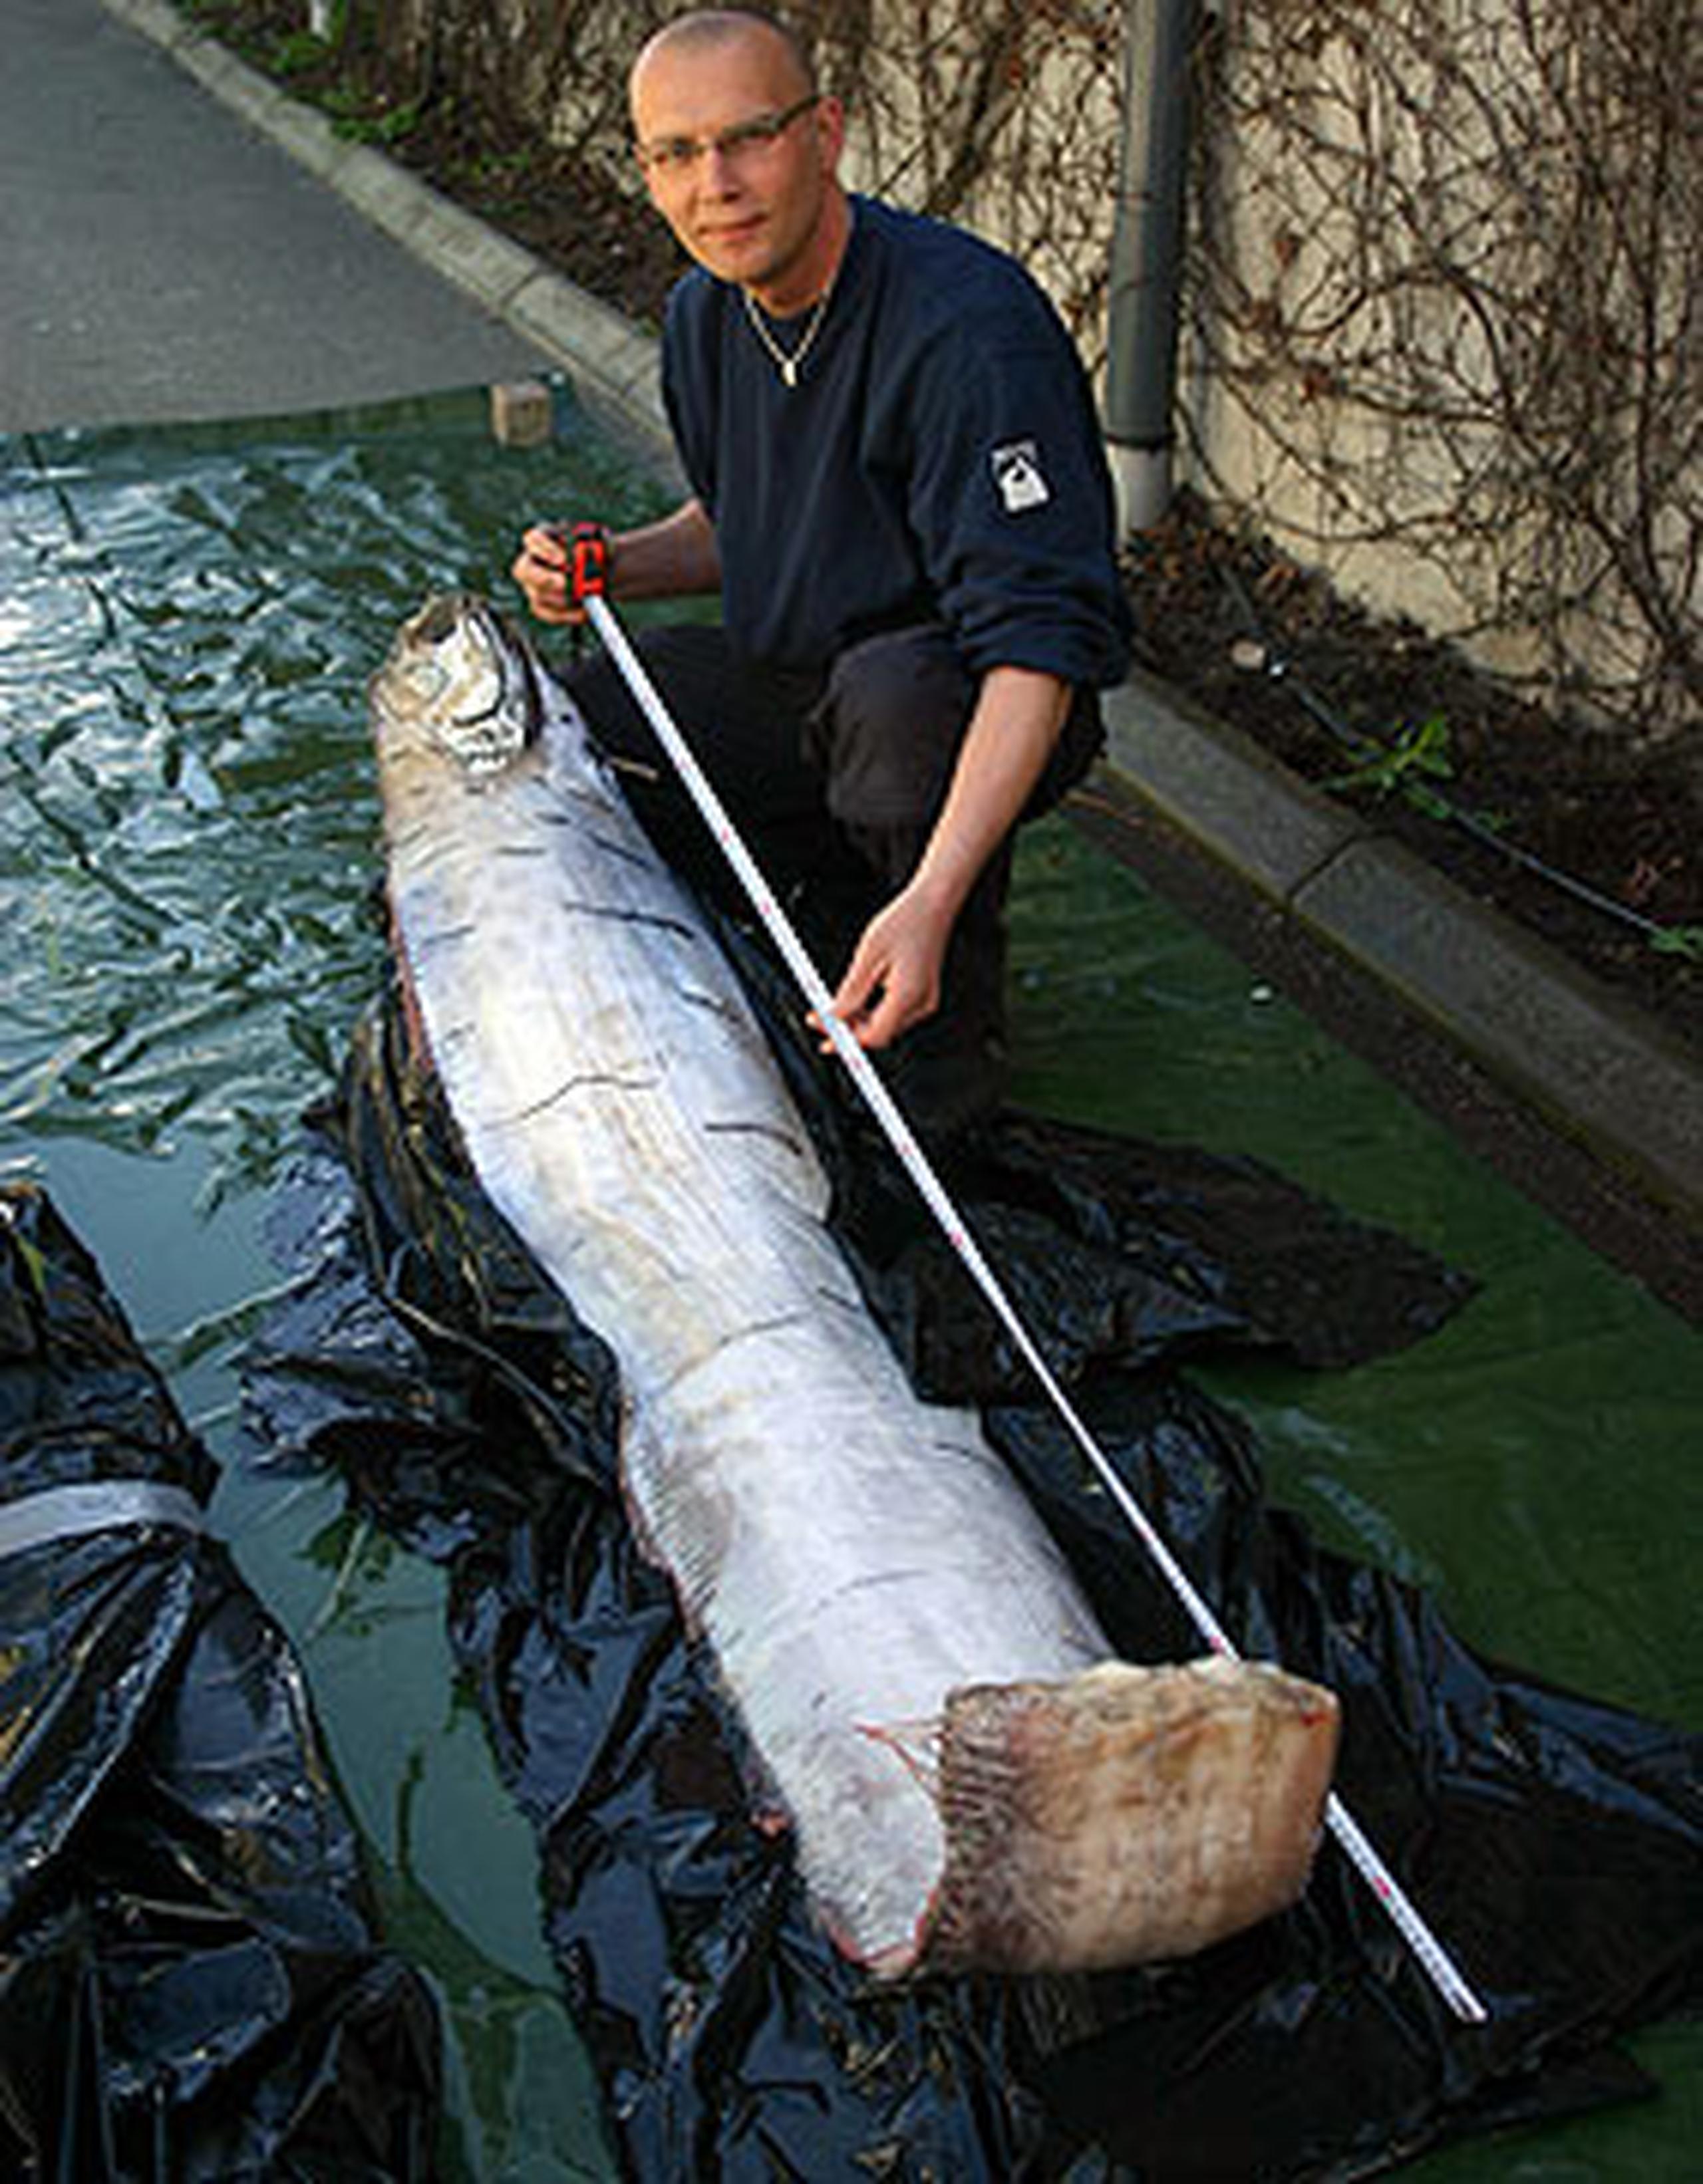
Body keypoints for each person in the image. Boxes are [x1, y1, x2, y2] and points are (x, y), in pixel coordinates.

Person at [513, 6, 1130, 1135]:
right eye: (679, 154)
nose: (720, 184)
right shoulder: (706, 316)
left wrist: (932, 899)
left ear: (827, 133)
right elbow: (739, 520)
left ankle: (939, 1038)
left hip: (957, 710)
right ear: (648, 173)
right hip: (796, 682)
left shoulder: (970, 333)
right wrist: (606, 564)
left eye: (751, 137)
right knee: (587, 717)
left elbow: (1035, 651)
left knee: (894, 707)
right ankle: (799, 928)